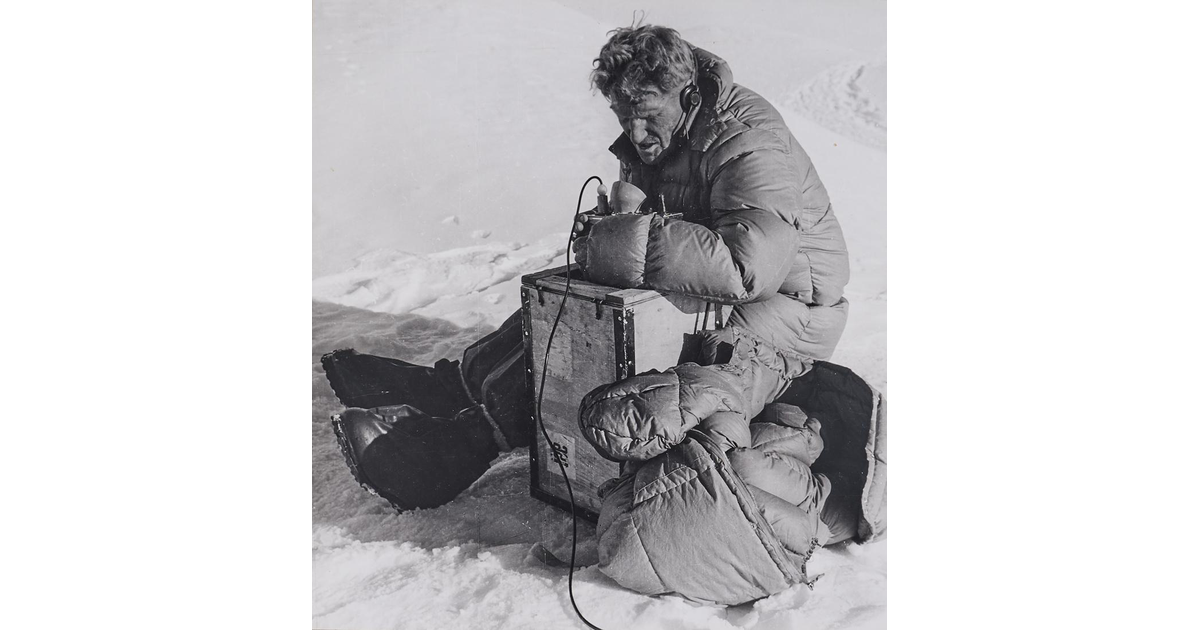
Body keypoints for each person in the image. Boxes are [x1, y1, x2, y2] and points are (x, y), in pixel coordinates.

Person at [324, 25, 885, 605]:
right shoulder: (667, 135)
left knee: (613, 346)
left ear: (686, 93)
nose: (633, 132)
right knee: (573, 302)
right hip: (716, 301)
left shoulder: (746, 138)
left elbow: (748, 267)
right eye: (621, 114)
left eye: (645, 113)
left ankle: (461, 445)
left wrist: (623, 238)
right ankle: (455, 384)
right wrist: (609, 234)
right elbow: (649, 247)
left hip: (782, 322)